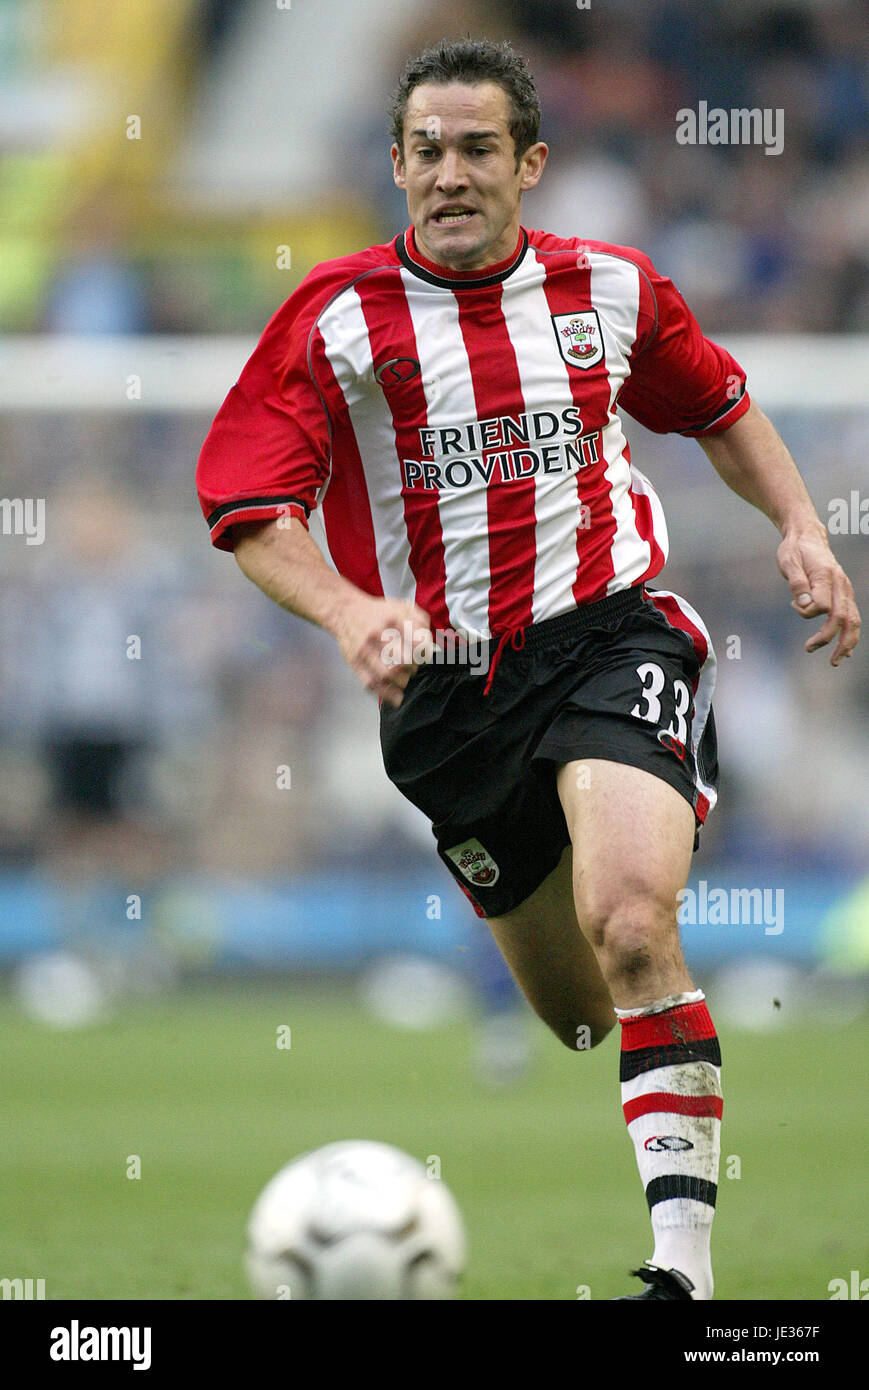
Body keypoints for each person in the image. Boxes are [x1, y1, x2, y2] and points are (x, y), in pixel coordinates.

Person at [196, 38, 860, 1300]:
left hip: (611, 633)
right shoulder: (334, 318)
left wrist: (800, 526)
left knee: (629, 919)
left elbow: (718, 406)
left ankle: (682, 1276)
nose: (450, 173)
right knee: (574, 1014)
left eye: (478, 149)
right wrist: (348, 613)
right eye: (427, 151)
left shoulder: (607, 290)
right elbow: (245, 503)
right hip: (442, 695)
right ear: (395, 164)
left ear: (529, 163)